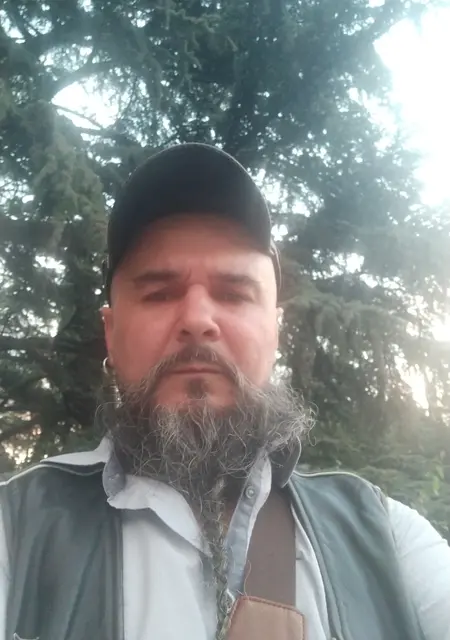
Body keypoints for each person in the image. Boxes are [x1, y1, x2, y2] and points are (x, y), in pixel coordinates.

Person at [1, 143, 449, 640]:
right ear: (111, 333)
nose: (197, 320)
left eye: (234, 293)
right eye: (159, 293)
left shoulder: (386, 536)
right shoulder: (14, 529)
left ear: (275, 333)